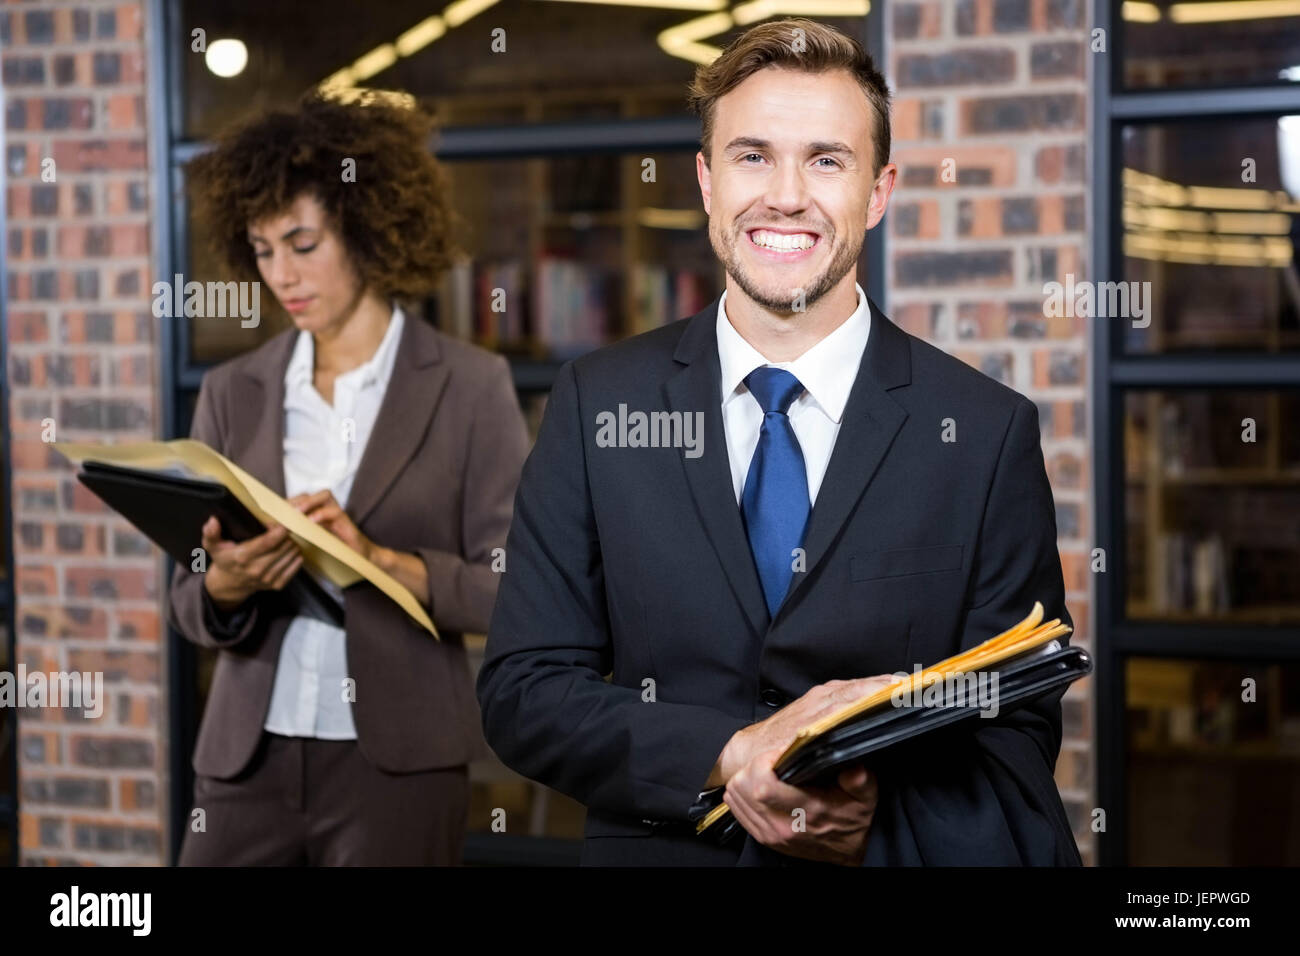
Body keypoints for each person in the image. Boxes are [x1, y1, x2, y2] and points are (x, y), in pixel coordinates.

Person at [477, 19, 1081, 866]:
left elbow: (1014, 734)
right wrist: (730, 755)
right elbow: (525, 693)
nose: (786, 195)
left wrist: (875, 823)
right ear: (706, 181)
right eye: (752, 156)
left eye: (827, 160)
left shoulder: (984, 434)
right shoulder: (595, 403)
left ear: (878, 192)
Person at [170, 90, 530, 865]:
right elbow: (185, 601)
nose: (281, 274)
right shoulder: (234, 390)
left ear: (366, 229)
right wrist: (225, 587)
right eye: (263, 251)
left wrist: (383, 564)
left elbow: (518, 590)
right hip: (244, 760)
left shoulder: (471, 386)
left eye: (302, 243)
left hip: (396, 767)